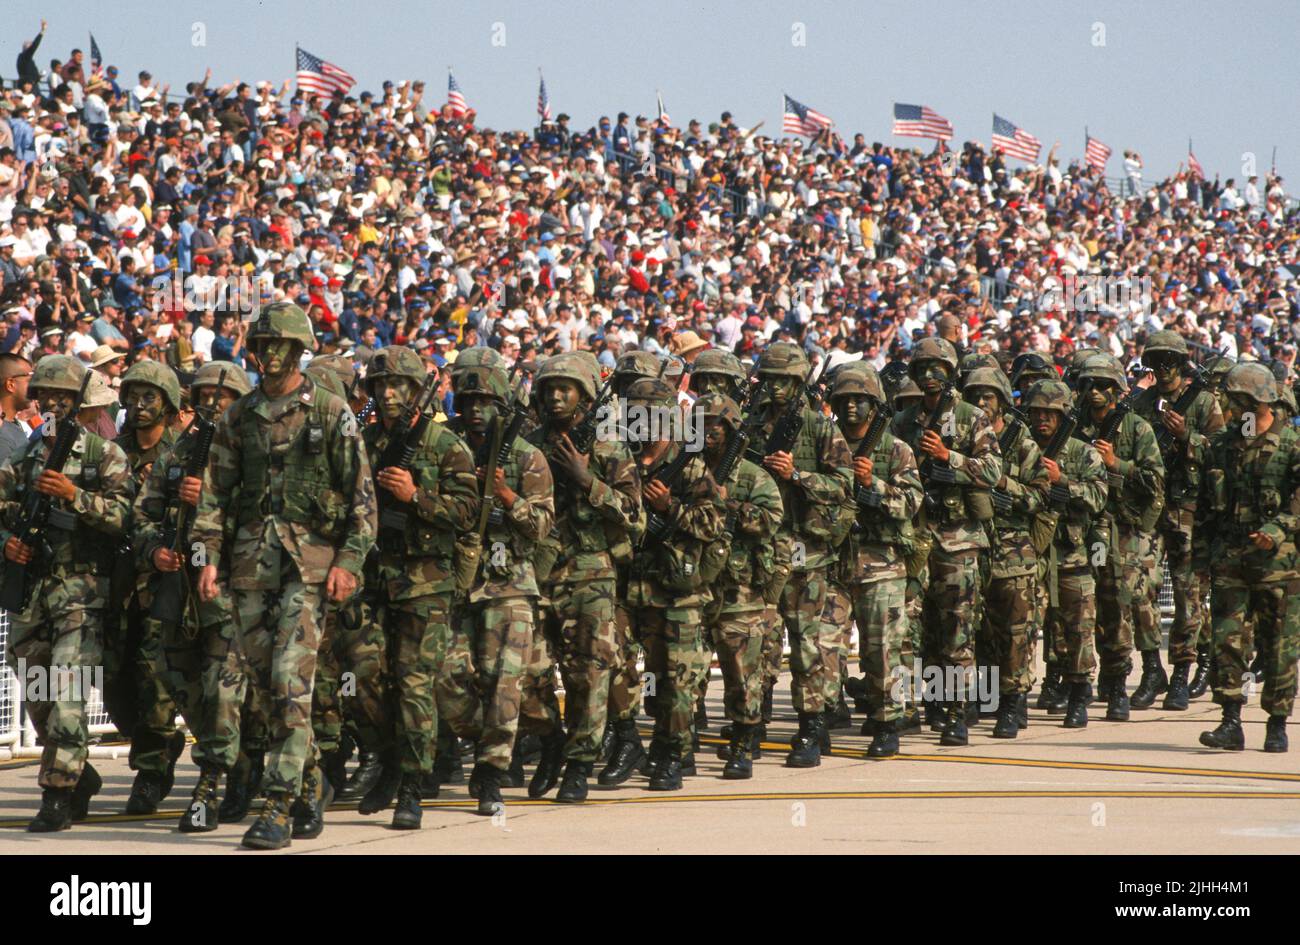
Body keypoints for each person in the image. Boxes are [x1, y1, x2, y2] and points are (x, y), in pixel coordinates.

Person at [193, 302, 377, 850]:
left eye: (281, 346)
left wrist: (348, 562)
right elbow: (215, 496)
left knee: (288, 680)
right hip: (250, 567)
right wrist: (206, 559)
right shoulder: (238, 416)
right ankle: (311, 779)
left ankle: (277, 805)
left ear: (299, 351)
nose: (270, 356)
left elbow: (361, 498)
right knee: (267, 690)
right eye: (262, 346)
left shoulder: (330, 411)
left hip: (311, 568)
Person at [1, 355, 133, 831]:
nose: (54, 403)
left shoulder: (103, 454)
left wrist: (76, 496)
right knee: (36, 685)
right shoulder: (28, 456)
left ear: (79, 402)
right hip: (35, 588)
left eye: (64, 397)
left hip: (82, 591)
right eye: (46, 396)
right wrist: (8, 542)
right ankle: (78, 772)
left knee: (68, 685)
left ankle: (57, 794)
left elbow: (127, 518)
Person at [355, 345, 478, 828]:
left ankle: (411, 783)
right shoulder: (362, 441)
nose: (387, 394)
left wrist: (415, 496)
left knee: (414, 686)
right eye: (381, 386)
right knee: (364, 678)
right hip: (373, 579)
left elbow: (468, 514)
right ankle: (386, 757)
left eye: (398, 386)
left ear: (414, 392)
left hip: (426, 585)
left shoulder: (445, 446)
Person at [133, 361, 253, 831]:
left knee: (223, 690)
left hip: (231, 592)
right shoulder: (178, 453)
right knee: (185, 688)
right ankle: (237, 767)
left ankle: (211, 784)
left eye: (221, 397)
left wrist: (217, 497)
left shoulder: (253, 452)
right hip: (179, 592)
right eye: (203, 395)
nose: (211, 403)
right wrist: (155, 550)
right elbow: (144, 513)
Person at [440, 350, 553, 814]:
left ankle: (490, 771)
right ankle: (519, 735)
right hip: (453, 579)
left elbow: (542, 526)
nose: (475, 410)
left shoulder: (528, 457)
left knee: (506, 681)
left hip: (510, 584)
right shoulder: (444, 446)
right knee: (446, 678)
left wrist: (506, 494)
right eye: (468, 400)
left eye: (486, 401)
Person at [524, 352, 640, 801]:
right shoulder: (529, 445)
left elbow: (635, 516)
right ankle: (550, 739)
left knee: (588, 675)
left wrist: (586, 479)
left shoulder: (610, 450)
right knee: (527, 671)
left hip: (591, 575)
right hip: (535, 573)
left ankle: (578, 763)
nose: (556, 396)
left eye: (566, 389)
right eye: (550, 388)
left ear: (586, 397)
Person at [891, 337, 1001, 744]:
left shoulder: (972, 417)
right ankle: (914, 706)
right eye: (922, 369)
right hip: (914, 536)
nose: (929, 376)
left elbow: (992, 472)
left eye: (938, 367)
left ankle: (956, 712)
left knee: (957, 628)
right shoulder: (903, 421)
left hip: (958, 539)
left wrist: (947, 458)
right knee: (911, 628)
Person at [752, 342, 852, 767]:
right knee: (760, 643)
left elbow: (845, 485)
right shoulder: (750, 426)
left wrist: (797, 475)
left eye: (783, 381)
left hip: (807, 552)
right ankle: (751, 722)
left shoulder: (819, 428)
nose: (774, 388)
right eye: (768, 379)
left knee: (810, 646)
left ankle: (812, 726)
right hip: (761, 551)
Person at [621, 376, 724, 789]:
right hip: (630, 587)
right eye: (636, 414)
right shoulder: (621, 460)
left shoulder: (690, 464)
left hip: (678, 589)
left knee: (677, 680)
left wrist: (671, 507)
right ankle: (632, 743)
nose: (642, 422)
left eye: (650, 413)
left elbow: (714, 522)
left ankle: (674, 753)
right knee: (628, 675)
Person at [1197, 363, 1300, 753]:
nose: (1227, 403)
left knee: (1279, 646)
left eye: (1235, 398)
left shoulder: (1291, 444)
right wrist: (1201, 556)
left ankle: (1276, 723)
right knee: (1228, 644)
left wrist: (1277, 530)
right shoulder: (1224, 445)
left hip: (1280, 567)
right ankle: (1231, 721)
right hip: (1231, 563)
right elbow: (1207, 505)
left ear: (1254, 400)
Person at [826, 365, 921, 756]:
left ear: (874, 404)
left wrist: (872, 485)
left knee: (882, 650)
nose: (851, 406)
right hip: (832, 563)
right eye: (844, 399)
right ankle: (820, 716)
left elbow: (912, 503)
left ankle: (887, 722)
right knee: (821, 646)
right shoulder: (825, 445)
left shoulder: (896, 450)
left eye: (859, 399)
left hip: (881, 565)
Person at [107, 359, 186, 816]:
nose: (138, 405)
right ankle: (157, 745)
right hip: (117, 586)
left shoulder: (185, 454)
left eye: (149, 397)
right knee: (115, 684)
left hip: (163, 585)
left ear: (168, 404)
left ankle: (152, 772)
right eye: (132, 396)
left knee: (155, 680)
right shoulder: (109, 452)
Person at [1131, 333, 1224, 709]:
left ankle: (1183, 673)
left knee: (1188, 596)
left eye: (1171, 361)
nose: (1165, 369)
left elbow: (1221, 449)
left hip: (1189, 510)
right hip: (1150, 508)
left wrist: (1187, 435)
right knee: (1139, 589)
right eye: (1159, 361)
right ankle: (1153, 667)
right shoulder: (1141, 403)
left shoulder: (1203, 402)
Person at [696, 391, 784, 776]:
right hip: (694, 582)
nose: (708, 431)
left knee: (741, 672)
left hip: (739, 586)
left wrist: (727, 505)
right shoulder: (689, 469)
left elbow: (772, 519)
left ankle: (744, 740)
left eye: (716, 424)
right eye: (701, 424)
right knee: (690, 671)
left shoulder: (752, 475)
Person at [1073, 354, 1165, 722]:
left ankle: (1116, 683)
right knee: (1083, 608)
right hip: (1082, 529)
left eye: (1103, 386)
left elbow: (1155, 481)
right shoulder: (1074, 428)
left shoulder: (1136, 428)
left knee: (1117, 607)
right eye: (1088, 385)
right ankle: (1078, 683)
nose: (1095, 393)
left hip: (1122, 530)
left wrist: (1116, 464)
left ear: (1116, 390)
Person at [965, 367, 1048, 738]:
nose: (982, 402)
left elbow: (1041, 497)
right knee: (976, 628)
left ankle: (1014, 703)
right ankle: (983, 698)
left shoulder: (1023, 444)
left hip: (1013, 551)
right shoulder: (965, 438)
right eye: (975, 396)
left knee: (1016, 630)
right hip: (971, 545)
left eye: (989, 396)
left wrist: (1005, 485)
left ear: (1001, 400)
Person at [1024, 379, 1109, 726]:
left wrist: (1062, 483)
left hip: (1072, 554)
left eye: (1050, 413)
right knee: (1026, 627)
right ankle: (1015, 696)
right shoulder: (1022, 448)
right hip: (1031, 553)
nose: (1043, 419)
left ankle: (1078, 695)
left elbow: (1099, 496)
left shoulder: (1082, 452)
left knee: (1079, 631)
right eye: (1037, 413)